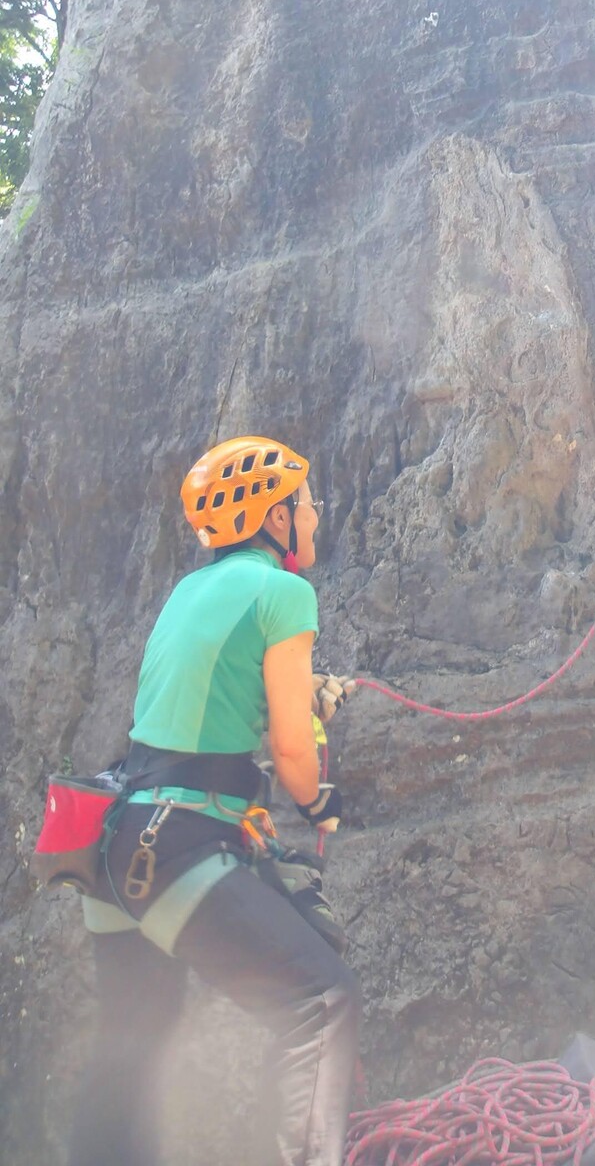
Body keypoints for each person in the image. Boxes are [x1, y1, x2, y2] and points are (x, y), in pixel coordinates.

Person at [68, 436, 362, 1166]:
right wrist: (320, 800)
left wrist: (298, 697)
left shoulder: (189, 590)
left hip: (114, 843)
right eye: (307, 502)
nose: (317, 514)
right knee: (317, 1004)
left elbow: (209, 712)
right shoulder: (285, 593)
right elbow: (295, 757)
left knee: (135, 1035)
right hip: (177, 844)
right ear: (275, 516)